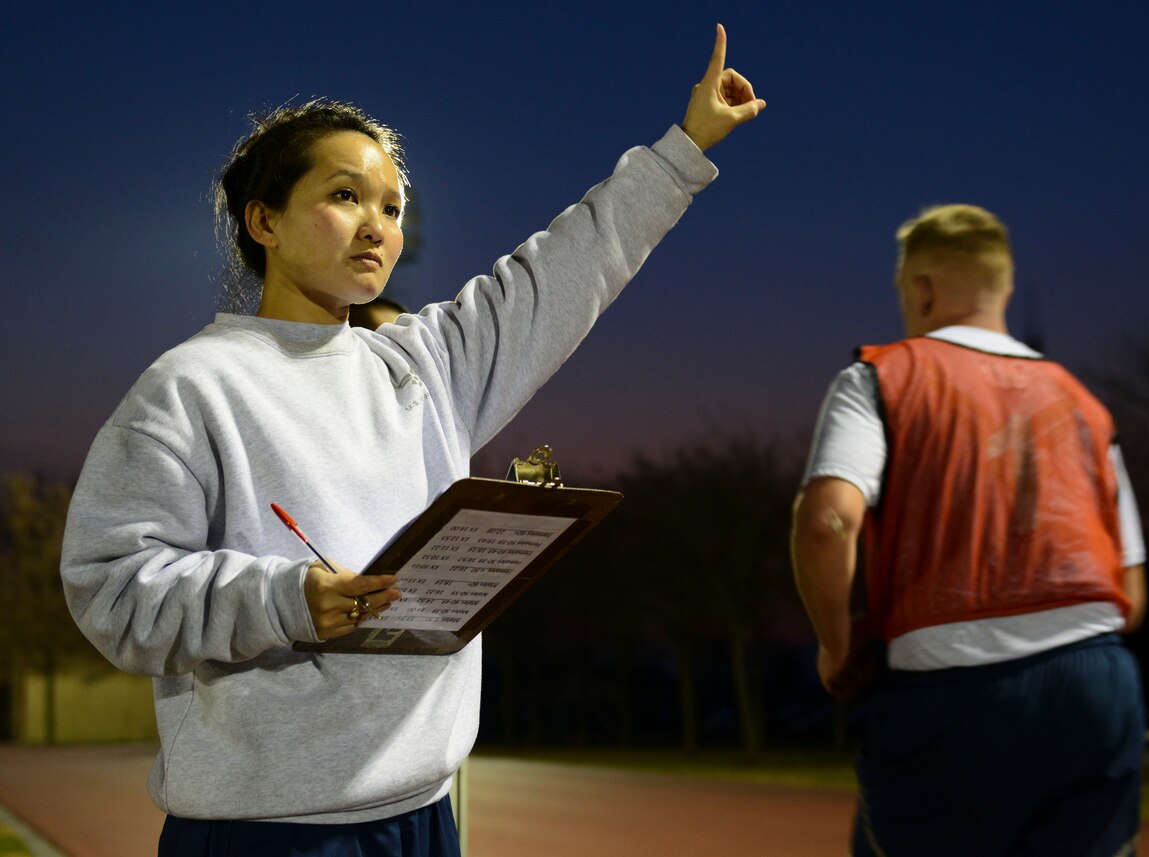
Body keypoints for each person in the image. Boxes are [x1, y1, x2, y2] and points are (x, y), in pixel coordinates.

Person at [60, 25, 764, 856]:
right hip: (266, 830)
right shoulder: (192, 385)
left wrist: (683, 152)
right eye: (345, 196)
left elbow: (563, 269)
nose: (376, 226)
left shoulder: (425, 365)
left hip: (424, 813)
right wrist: (284, 599)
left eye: (392, 207)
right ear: (264, 220)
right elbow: (111, 587)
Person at [790, 204, 1147, 856]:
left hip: (951, 692)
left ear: (922, 289)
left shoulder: (880, 378)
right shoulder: (1086, 403)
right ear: (1002, 288)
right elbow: (1131, 583)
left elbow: (827, 520)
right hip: (1097, 684)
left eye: (903, 288)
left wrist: (836, 645)